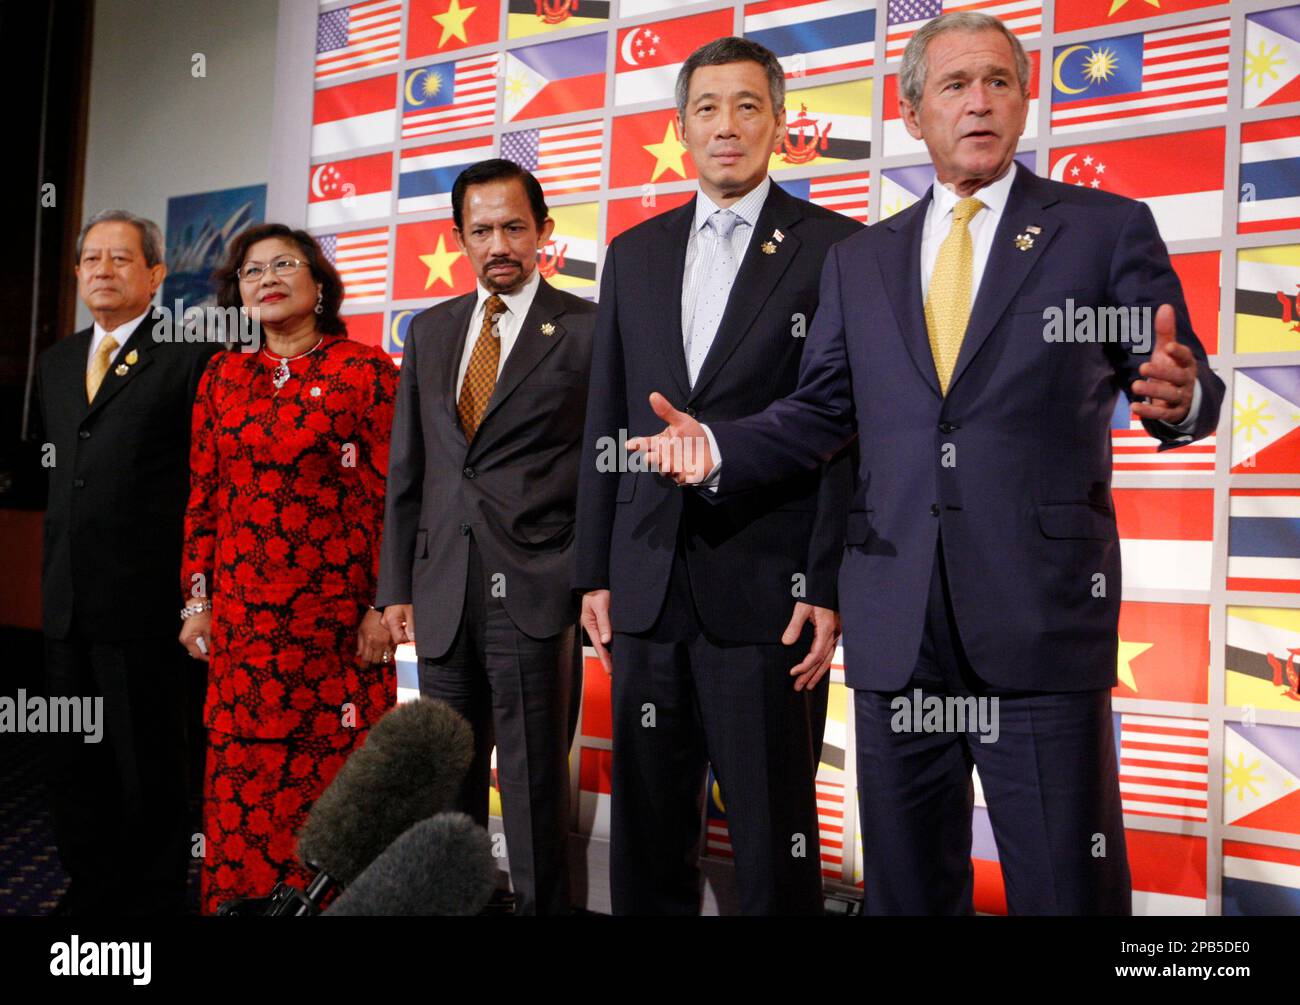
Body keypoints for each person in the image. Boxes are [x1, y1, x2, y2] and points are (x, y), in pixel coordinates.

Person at [631, 12, 1225, 916]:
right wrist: (718, 445)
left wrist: (1184, 402)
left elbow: (1177, 374)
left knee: (1066, 885)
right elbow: (822, 409)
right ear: (913, 113)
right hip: (895, 619)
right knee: (907, 890)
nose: (978, 102)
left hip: (1036, 621)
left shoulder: (1103, 230)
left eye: (997, 81)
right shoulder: (861, 261)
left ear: (1025, 102)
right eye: (953, 86)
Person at [573, 38, 860, 916]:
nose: (725, 126)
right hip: (648, 583)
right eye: (706, 108)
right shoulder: (634, 251)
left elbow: (847, 430)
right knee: (650, 837)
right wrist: (594, 567)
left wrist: (827, 579)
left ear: (779, 121)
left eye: (746, 106)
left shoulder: (841, 249)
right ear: (681, 127)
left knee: (776, 841)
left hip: (770, 593)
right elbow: (607, 418)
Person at [377, 160, 594, 916]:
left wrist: (587, 571)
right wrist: (394, 587)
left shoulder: (586, 329)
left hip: (533, 588)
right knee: (446, 779)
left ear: (543, 231)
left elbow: (604, 469)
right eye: (480, 230)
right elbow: (411, 467)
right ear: (459, 237)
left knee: (533, 788)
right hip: (439, 591)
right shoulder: (431, 329)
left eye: (512, 226)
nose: (497, 243)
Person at [179, 223, 397, 915]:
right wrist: (195, 603)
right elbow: (204, 501)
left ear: (319, 283)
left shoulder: (367, 371)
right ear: (237, 292)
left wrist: (383, 604)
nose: (266, 277)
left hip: (338, 632)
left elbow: (398, 497)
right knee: (242, 803)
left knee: (334, 807)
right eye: (251, 270)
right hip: (242, 633)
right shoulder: (222, 376)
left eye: (284, 265)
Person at [33, 209, 220, 915]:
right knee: (72, 762)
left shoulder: (191, 356)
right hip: (66, 602)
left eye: (120, 259)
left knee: (147, 764)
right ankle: (91, 883)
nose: (102, 271)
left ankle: (149, 893)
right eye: (91, 260)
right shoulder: (56, 361)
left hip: (146, 605)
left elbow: (206, 483)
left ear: (156, 274)